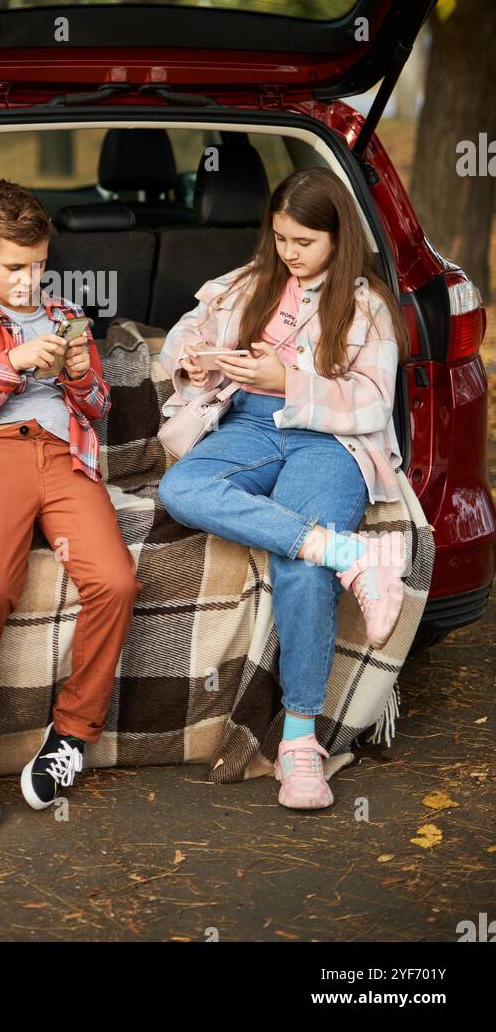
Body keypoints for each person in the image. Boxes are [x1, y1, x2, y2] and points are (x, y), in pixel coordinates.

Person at [157, 167, 410, 811]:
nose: (289, 254)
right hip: (246, 423)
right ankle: (345, 551)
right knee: (182, 489)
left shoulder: (367, 305)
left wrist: (288, 376)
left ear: (337, 239)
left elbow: (373, 407)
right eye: (280, 238)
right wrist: (194, 356)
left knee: (300, 569)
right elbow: (188, 330)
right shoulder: (252, 280)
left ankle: (300, 743)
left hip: (327, 440)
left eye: (304, 242)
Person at [0, 179, 140, 830]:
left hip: (62, 456)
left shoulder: (65, 314)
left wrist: (80, 370)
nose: (30, 281)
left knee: (114, 579)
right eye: (14, 268)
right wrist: (12, 363)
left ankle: (71, 735)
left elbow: (99, 408)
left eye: (39, 265)